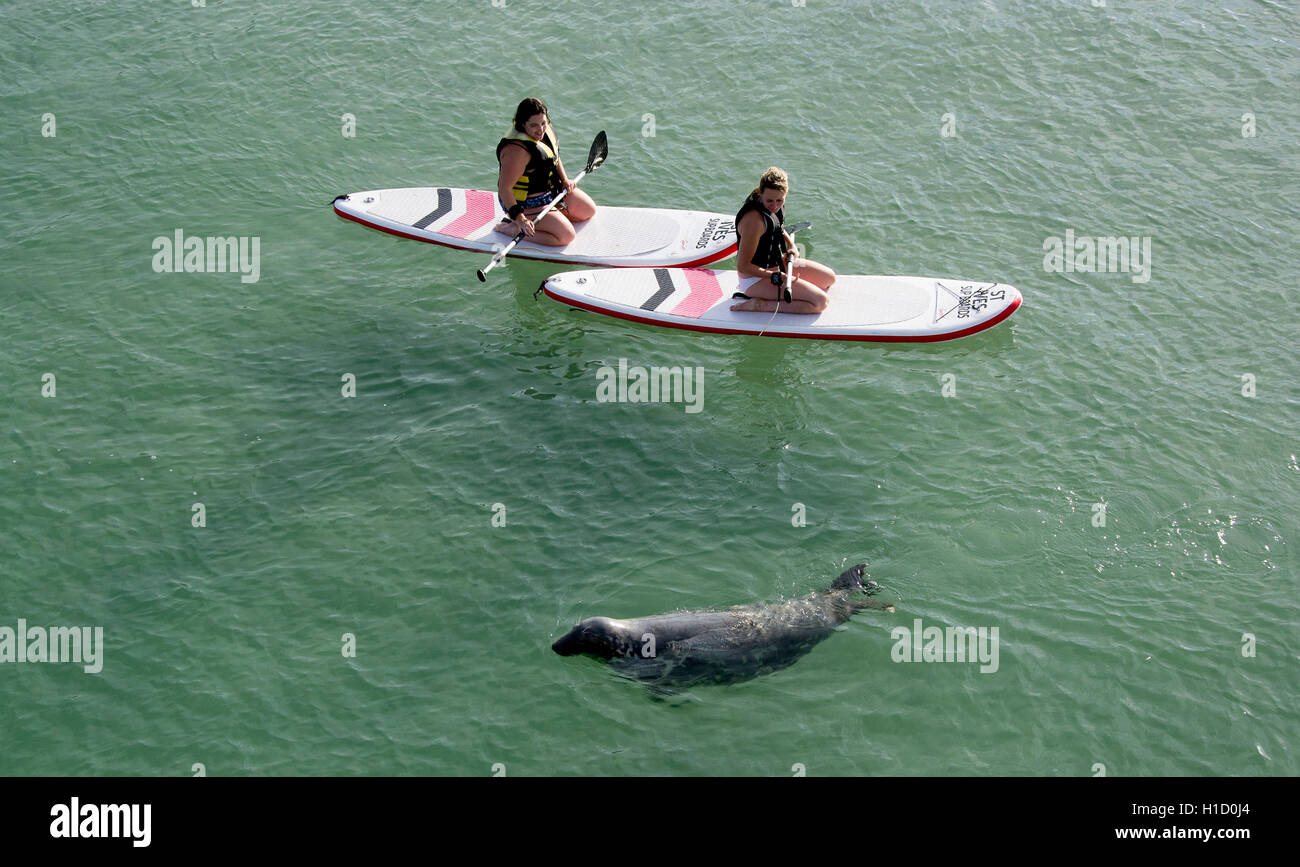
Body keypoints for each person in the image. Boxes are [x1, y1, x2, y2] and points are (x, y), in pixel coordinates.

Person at [729, 167, 835, 314]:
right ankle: (760, 305)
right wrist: (774, 276)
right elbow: (743, 266)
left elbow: (777, 226)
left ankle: (789, 291)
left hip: (778, 266)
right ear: (760, 193)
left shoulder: (773, 206)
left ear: (785, 194)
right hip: (755, 279)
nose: (775, 206)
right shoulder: (753, 222)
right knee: (820, 302)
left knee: (829, 278)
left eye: (780, 200)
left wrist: (791, 245)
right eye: (769, 201)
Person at [492, 98, 596, 247]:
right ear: (522, 124)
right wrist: (520, 219)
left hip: (550, 192)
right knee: (566, 236)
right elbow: (504, 189)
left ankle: (552, 217)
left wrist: (565, 180)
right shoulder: (516, 151)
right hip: (525, 203)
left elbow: (553, 156)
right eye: (533, 125)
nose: (540, 130)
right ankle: (512, 228)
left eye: (543, 123)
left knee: (588, 211)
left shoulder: (544, 130)